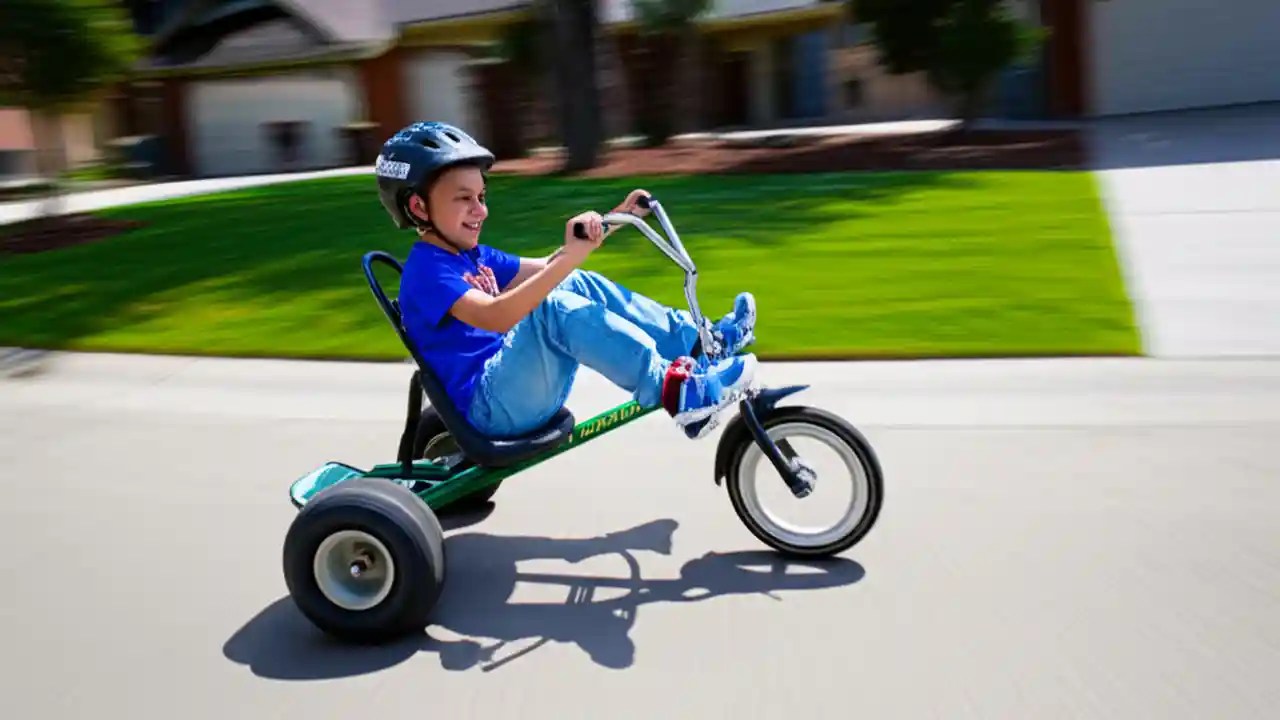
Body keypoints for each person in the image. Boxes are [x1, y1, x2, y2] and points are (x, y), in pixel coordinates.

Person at [373, 121, 758, 440]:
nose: (481, 210)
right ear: (419, 206)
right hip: (492, 406)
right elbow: (496, 317)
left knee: (576, 282)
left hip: (515, 383)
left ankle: (700, 343)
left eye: (481, 196)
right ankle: (678, 392)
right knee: (551, 306)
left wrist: (616, 216)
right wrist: (568, 259)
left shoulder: (472, 254)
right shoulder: (428, 271)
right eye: (464, 199)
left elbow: (551, 266)